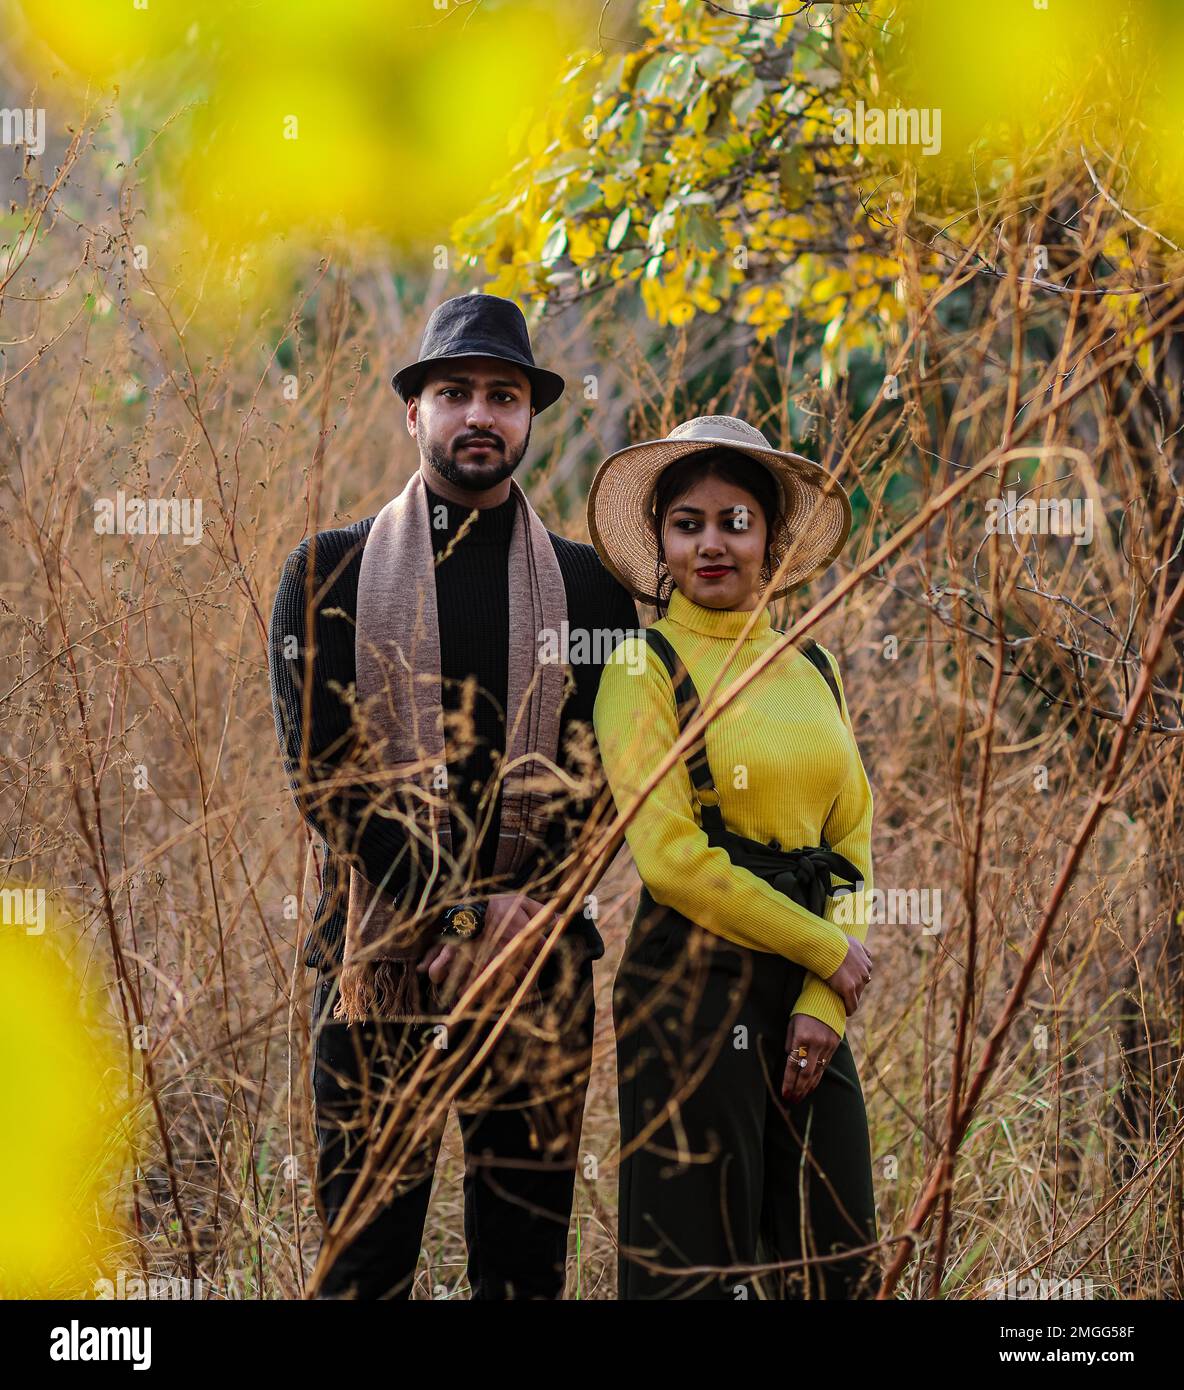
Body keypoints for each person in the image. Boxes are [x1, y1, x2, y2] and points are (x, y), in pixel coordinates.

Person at [268, 293, 637, 1299]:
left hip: (536, 969)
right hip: (376, 963)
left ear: (529, 418)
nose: (479, 414)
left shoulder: (592, 590)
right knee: (365, 1265)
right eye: (454, 392)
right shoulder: (326, 575)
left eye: (503, 396)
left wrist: (518, 915)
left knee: (522, 1272)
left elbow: (604, 782)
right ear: (413, 412)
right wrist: (462, 910)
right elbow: (325, 775)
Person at [588, 414, 879, 1299]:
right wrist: (824, 948)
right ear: (662, 542)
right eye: (688, 524)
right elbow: (671, 858)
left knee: (832, 1249)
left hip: (805, 987)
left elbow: (853, 841)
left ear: (770, 540)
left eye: (735, 522)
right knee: (694, 1262)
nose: (711, 544)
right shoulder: (642, 665)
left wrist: (826, 997)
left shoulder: (813, 664)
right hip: (691, 982)